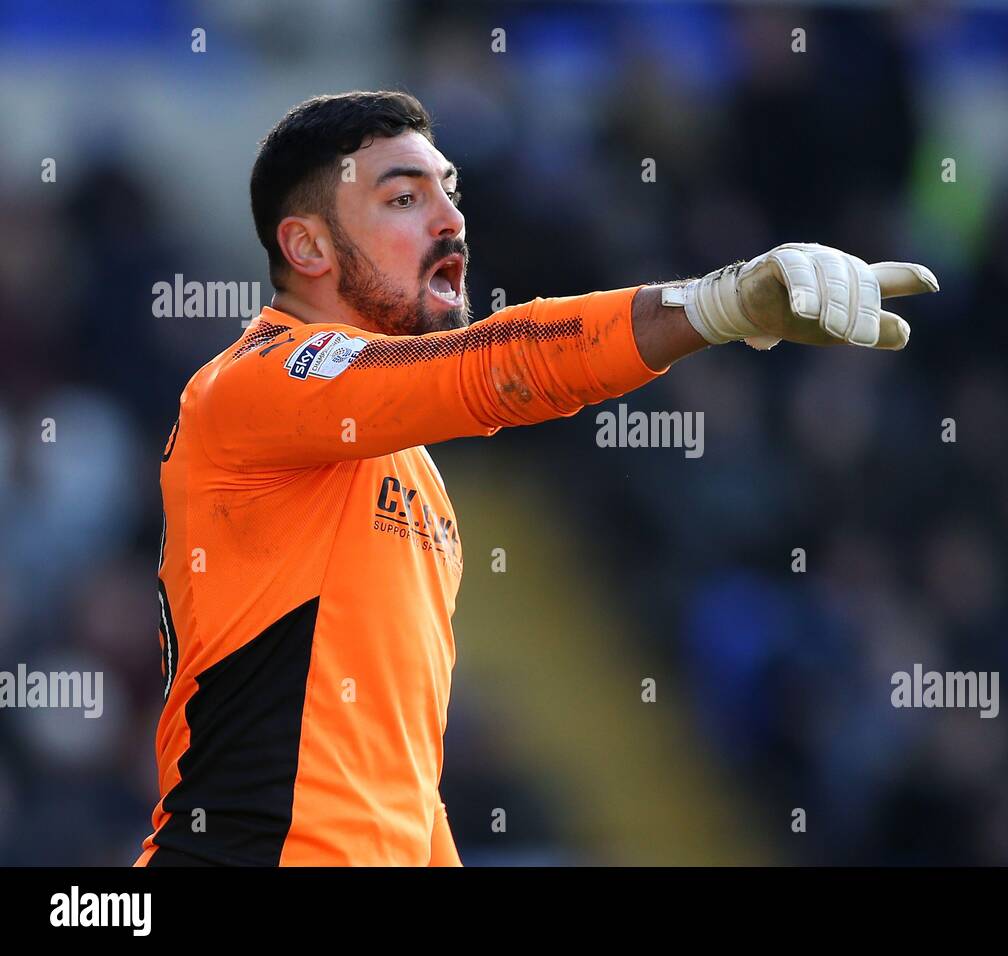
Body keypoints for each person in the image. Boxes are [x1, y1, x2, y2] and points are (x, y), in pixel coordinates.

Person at [135, 90, 938, 866]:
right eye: (404, 199)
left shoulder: (411, 474)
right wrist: (716, 307)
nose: (451, 220)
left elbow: (398, 787)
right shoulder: (249, 384)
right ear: (307, 247)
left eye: (450, 193)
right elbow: (495, 368)